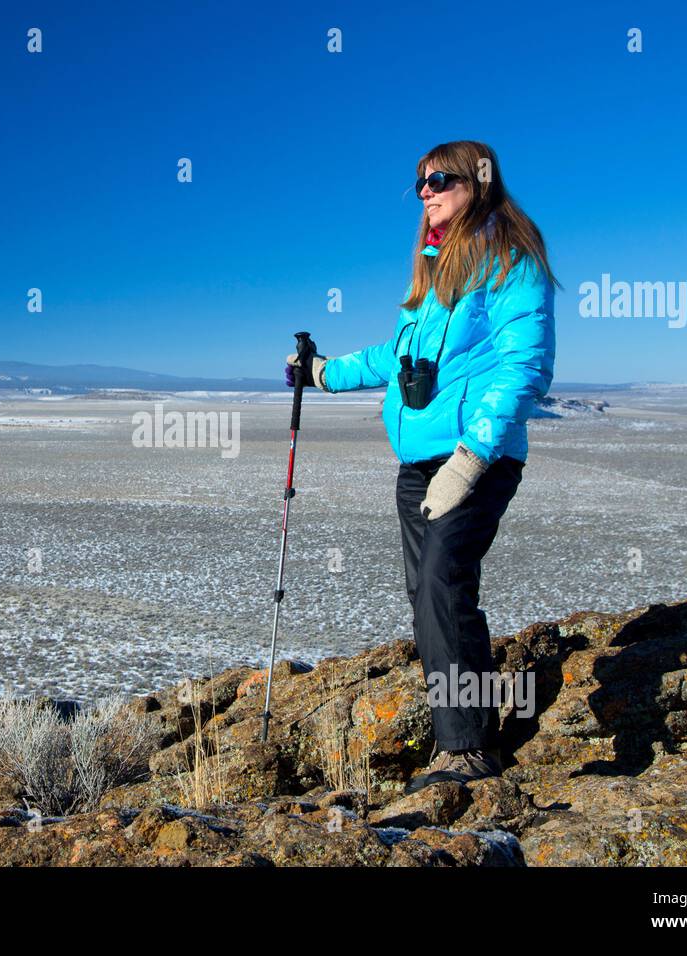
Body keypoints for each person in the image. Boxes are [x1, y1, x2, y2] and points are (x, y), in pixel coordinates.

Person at [285, 140, 557, 794]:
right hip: (416, 466)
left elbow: (527, 368)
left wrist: (469, 458)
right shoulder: (432, 276)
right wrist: (325, 374)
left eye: (440, 180)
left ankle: (466, 752)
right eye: (419, 184)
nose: (426, 192)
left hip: (476, 459)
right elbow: (395, 354)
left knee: (441, 581)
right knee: (432, 596)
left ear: (479, 183)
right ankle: (468, 722)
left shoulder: (510, 264)